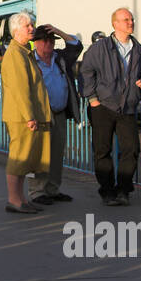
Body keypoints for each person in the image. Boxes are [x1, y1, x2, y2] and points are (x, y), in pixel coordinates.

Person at [79, 7, 141, 206]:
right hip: (103, 106)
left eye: (131, 19)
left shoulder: (139, 50)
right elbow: (85, 71)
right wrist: (92, 98)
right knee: (102, 150)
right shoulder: (100, 48)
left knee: (131, 149)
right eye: (126, 19)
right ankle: (107, 191)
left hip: (127, 107)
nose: (131, 22)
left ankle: (123, 189)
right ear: (115, 24)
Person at [0, 11, 51, 214]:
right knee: (18, 159)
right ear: (15, 30)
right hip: (21, 117)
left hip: (24, 115)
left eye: (32, 25)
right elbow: (20, 89)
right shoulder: (15, 54)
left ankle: (21, 199)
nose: (32, 29)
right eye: (28, 26)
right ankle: (14, 200)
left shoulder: (23, 52)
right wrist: (29, 116)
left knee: (24, 160)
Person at [28, 23, 82, 206]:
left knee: (57, 153)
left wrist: (59, 31)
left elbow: (76, 46)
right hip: (41, 113)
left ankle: (52, 188)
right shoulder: (30, 61)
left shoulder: (60, 58)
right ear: (36, 42)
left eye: (52, 40)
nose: (49, 44)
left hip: (59, 112)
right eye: (45, 40)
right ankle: (37, 191)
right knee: (40, 154)